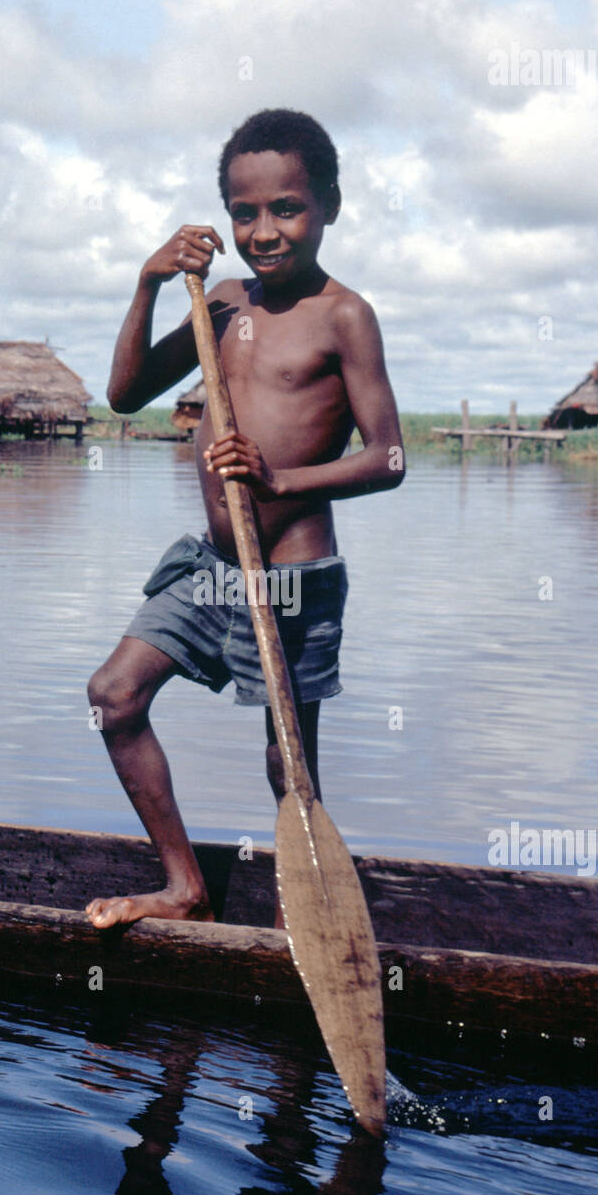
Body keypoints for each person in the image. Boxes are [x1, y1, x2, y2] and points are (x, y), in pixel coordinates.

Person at [86, 108, 404, 929]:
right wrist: (149, 282)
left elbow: (388, 458)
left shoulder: (344, 316)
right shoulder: (217, 303)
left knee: (285, 763)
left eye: (287, 209)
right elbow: (123, 397)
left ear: (329, 205)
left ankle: (321, 923)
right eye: (244, 212)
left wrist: (277, 476)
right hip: (211, 570)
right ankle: (184, 887)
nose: (264, 231)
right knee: (114, 697)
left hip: (292, 577)